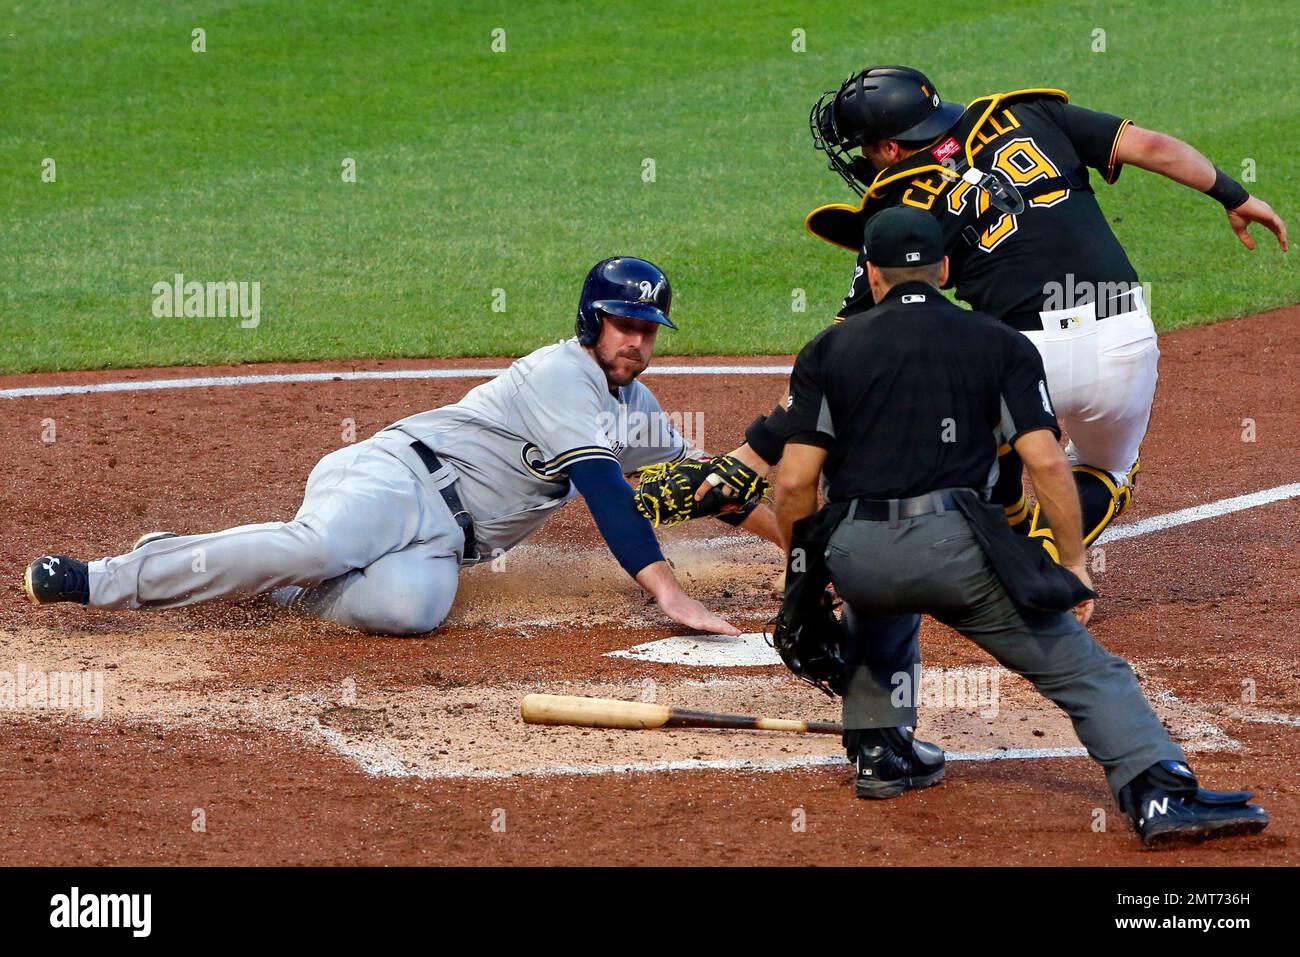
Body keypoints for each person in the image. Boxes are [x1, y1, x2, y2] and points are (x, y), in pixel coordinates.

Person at [769, 206, 1268, 846]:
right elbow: (1046, 462)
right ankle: (1160, 794)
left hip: (858, 552)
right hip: (952, 546)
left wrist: (806, 571)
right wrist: (1071, 561)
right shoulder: (999, 342)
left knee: (883, 604)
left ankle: (880, 752)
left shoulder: (829, 348)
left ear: (870, 273)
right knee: (1087, 670)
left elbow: (793, 481)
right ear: (944, 269)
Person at [23, 257, 776, 637]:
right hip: (398, 477)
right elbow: (609, 493)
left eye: (648, 331)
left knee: (413, 610)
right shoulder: (560, 373)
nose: (637, 344)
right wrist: (667, 591)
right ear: (592, 323)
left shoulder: (633, 405)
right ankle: (110, 577)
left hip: (445, 542)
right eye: (625, 326)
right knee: (320, 545)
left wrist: (804, 547)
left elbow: (708, 486)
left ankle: (260, 580)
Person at [748, 66, 1288, 559]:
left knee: (958, 417)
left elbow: (844, 344)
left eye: (865, 148)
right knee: (1107, 468)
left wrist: (754, 451)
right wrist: (1234, 196)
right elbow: (1149, 144)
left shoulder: (899, 207)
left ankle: (1004, 534)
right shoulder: (1025, 113)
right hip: (1125, 336)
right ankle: (1048, 556)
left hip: (1022, 359)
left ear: (890, 148)